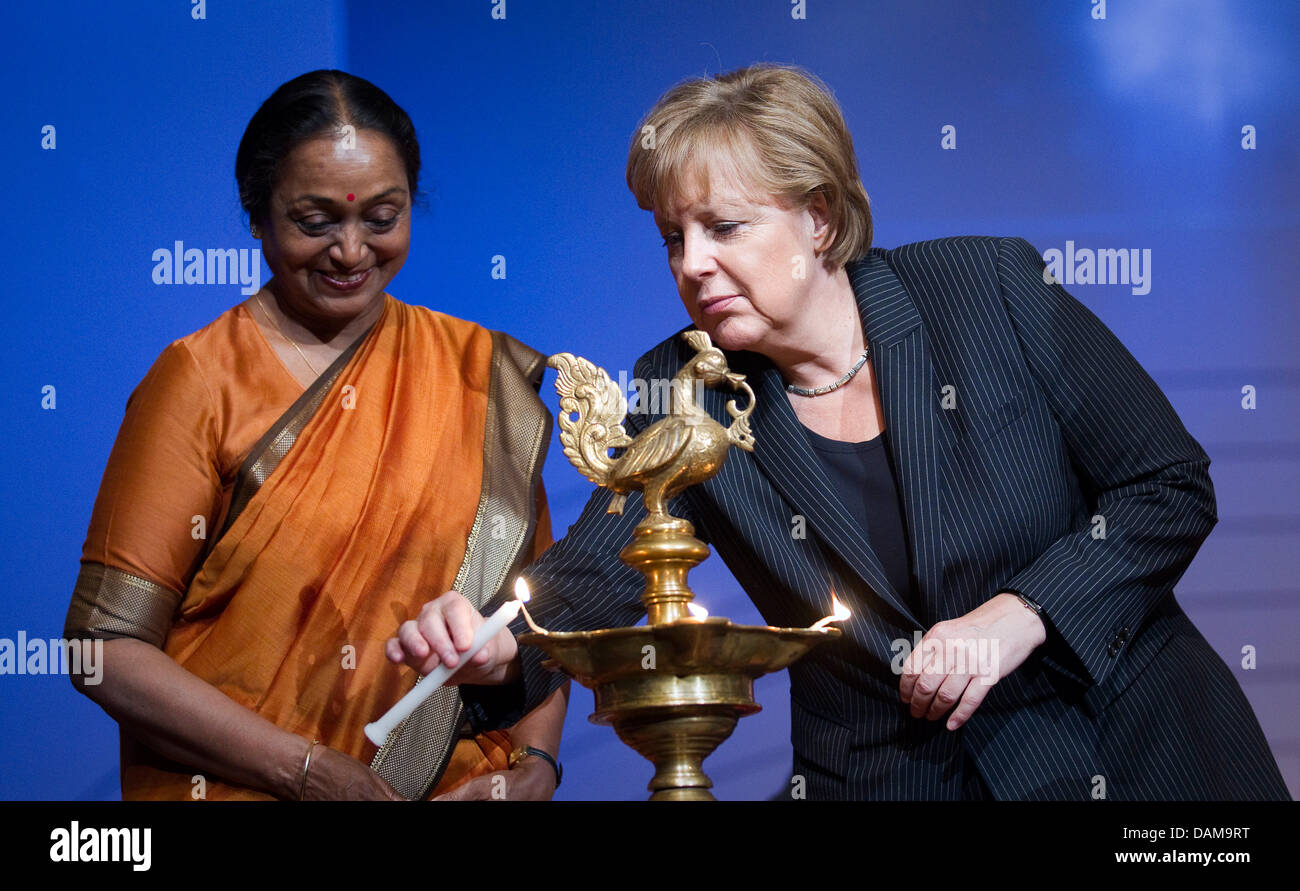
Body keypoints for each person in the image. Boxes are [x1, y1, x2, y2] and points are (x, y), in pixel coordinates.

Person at [388, 63, 1289, 800]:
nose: (691, 263)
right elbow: (590, 577)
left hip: (1139, 760)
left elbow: (1166, 486)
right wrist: (497, 638)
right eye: (672, 236)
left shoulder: (987, 289)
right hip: (889, 780)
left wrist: (1023, 613)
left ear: (818, 220)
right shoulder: (684, 382)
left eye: (724, 227)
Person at [64, 70, 568, 801]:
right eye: (316, 220)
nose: (352, 250)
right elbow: (101, 650)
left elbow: (533, 622)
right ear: (256, 215)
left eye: (382, 217)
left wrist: (536, 771)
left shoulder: (475, 374)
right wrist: (304, 770)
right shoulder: (201, 379)